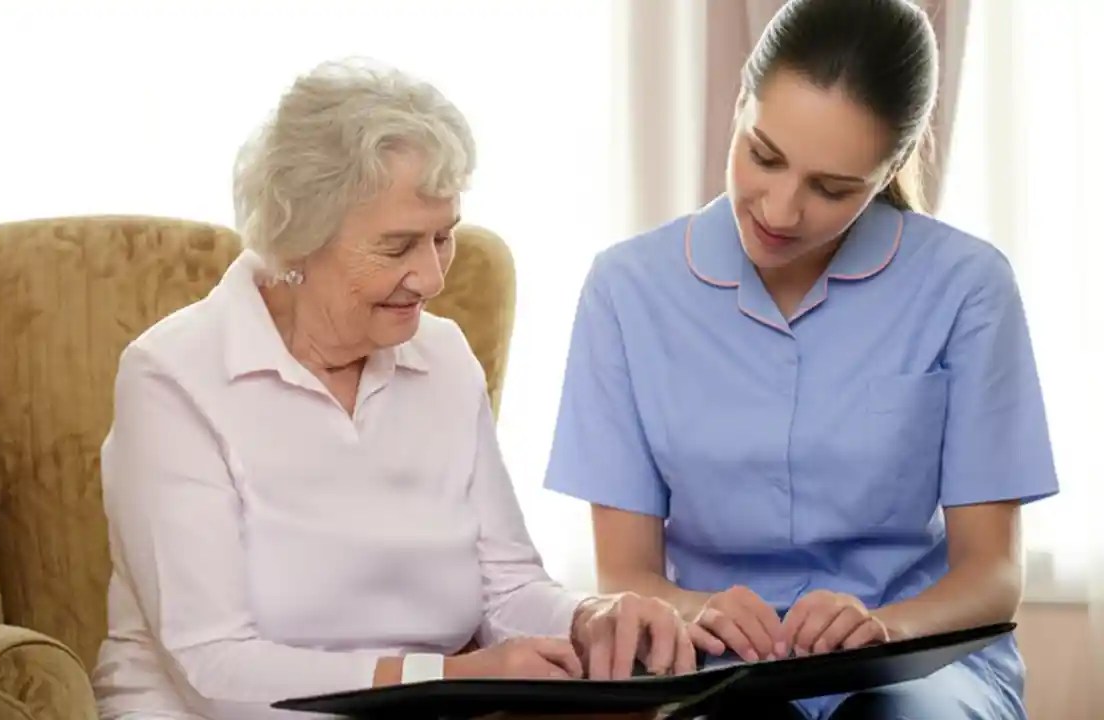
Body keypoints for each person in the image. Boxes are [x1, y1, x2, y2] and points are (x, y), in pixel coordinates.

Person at [91, 59, 703, 720]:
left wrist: (588, 618)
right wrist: (449, 678)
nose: (433, 278)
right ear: (297, 239)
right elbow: (212, 669)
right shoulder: (174, 376)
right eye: (397, 247)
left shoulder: (441, 358)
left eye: (443, 238)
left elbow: (506, 589)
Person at [543, 0, 1058, 718]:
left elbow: (992, 573)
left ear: (891, 169)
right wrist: (699, 612)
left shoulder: (967, 286)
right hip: (721, 666)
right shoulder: (627, 290)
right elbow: (627, 574)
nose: (781, 211)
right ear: (739, 106)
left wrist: (884, 627)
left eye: (832, 188)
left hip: (917, 665)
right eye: (764, 156)